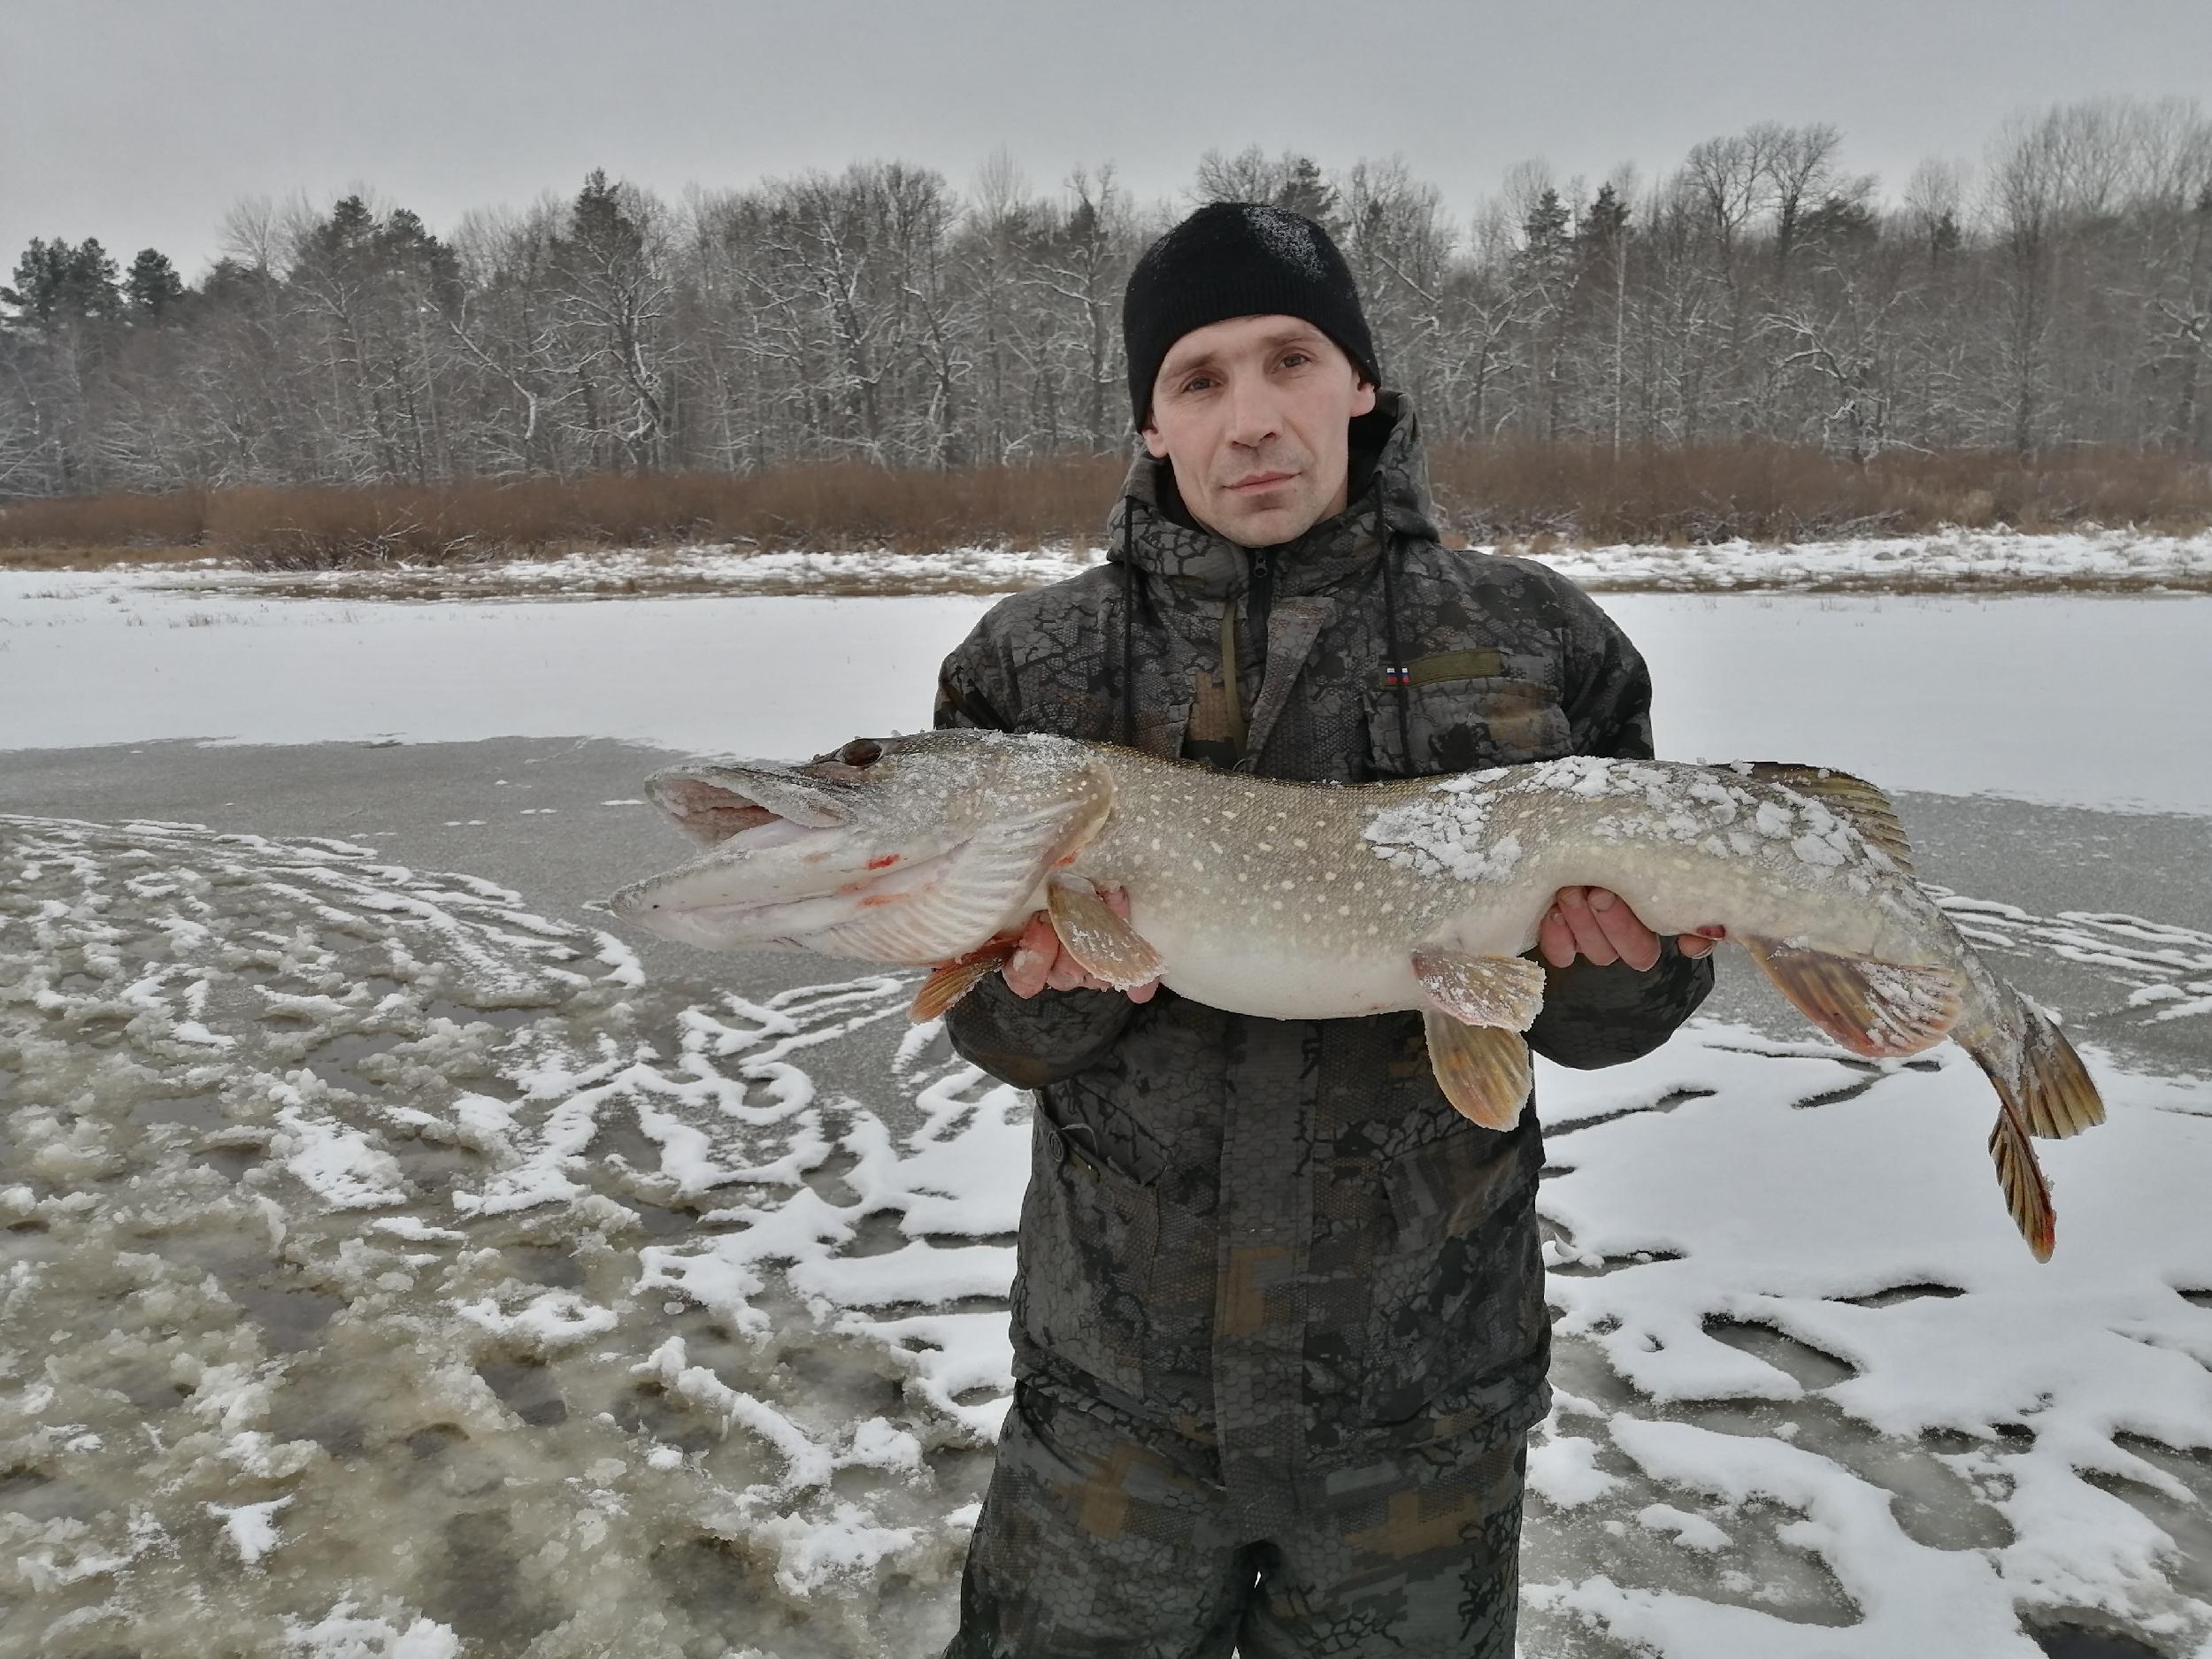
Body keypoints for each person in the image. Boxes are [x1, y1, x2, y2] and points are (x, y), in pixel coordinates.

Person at [933, 203, 1717, 1659]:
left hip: (1421, 1414)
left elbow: (1631, 1011)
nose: (1253, 419)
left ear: (1359, 382)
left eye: (1290, 360)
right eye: (1199, 379)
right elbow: (998, 1029)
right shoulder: (1030, 672)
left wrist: (1616, 974)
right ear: (1152, 426)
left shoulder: (1541, 641)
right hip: (1116, 1414)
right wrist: (1047, 985)